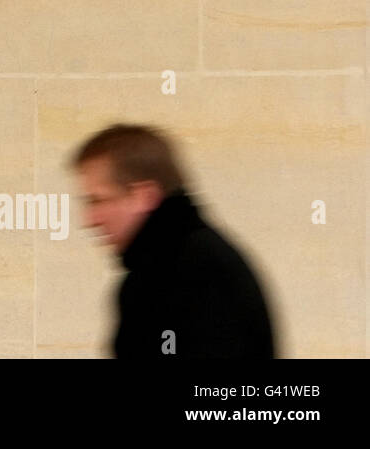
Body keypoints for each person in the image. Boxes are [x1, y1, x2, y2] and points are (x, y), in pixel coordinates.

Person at [72, 124, 275, 358]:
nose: (89, 220)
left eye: (98, 200)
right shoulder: (190, 260)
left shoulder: (181, 274)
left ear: (143, 196)